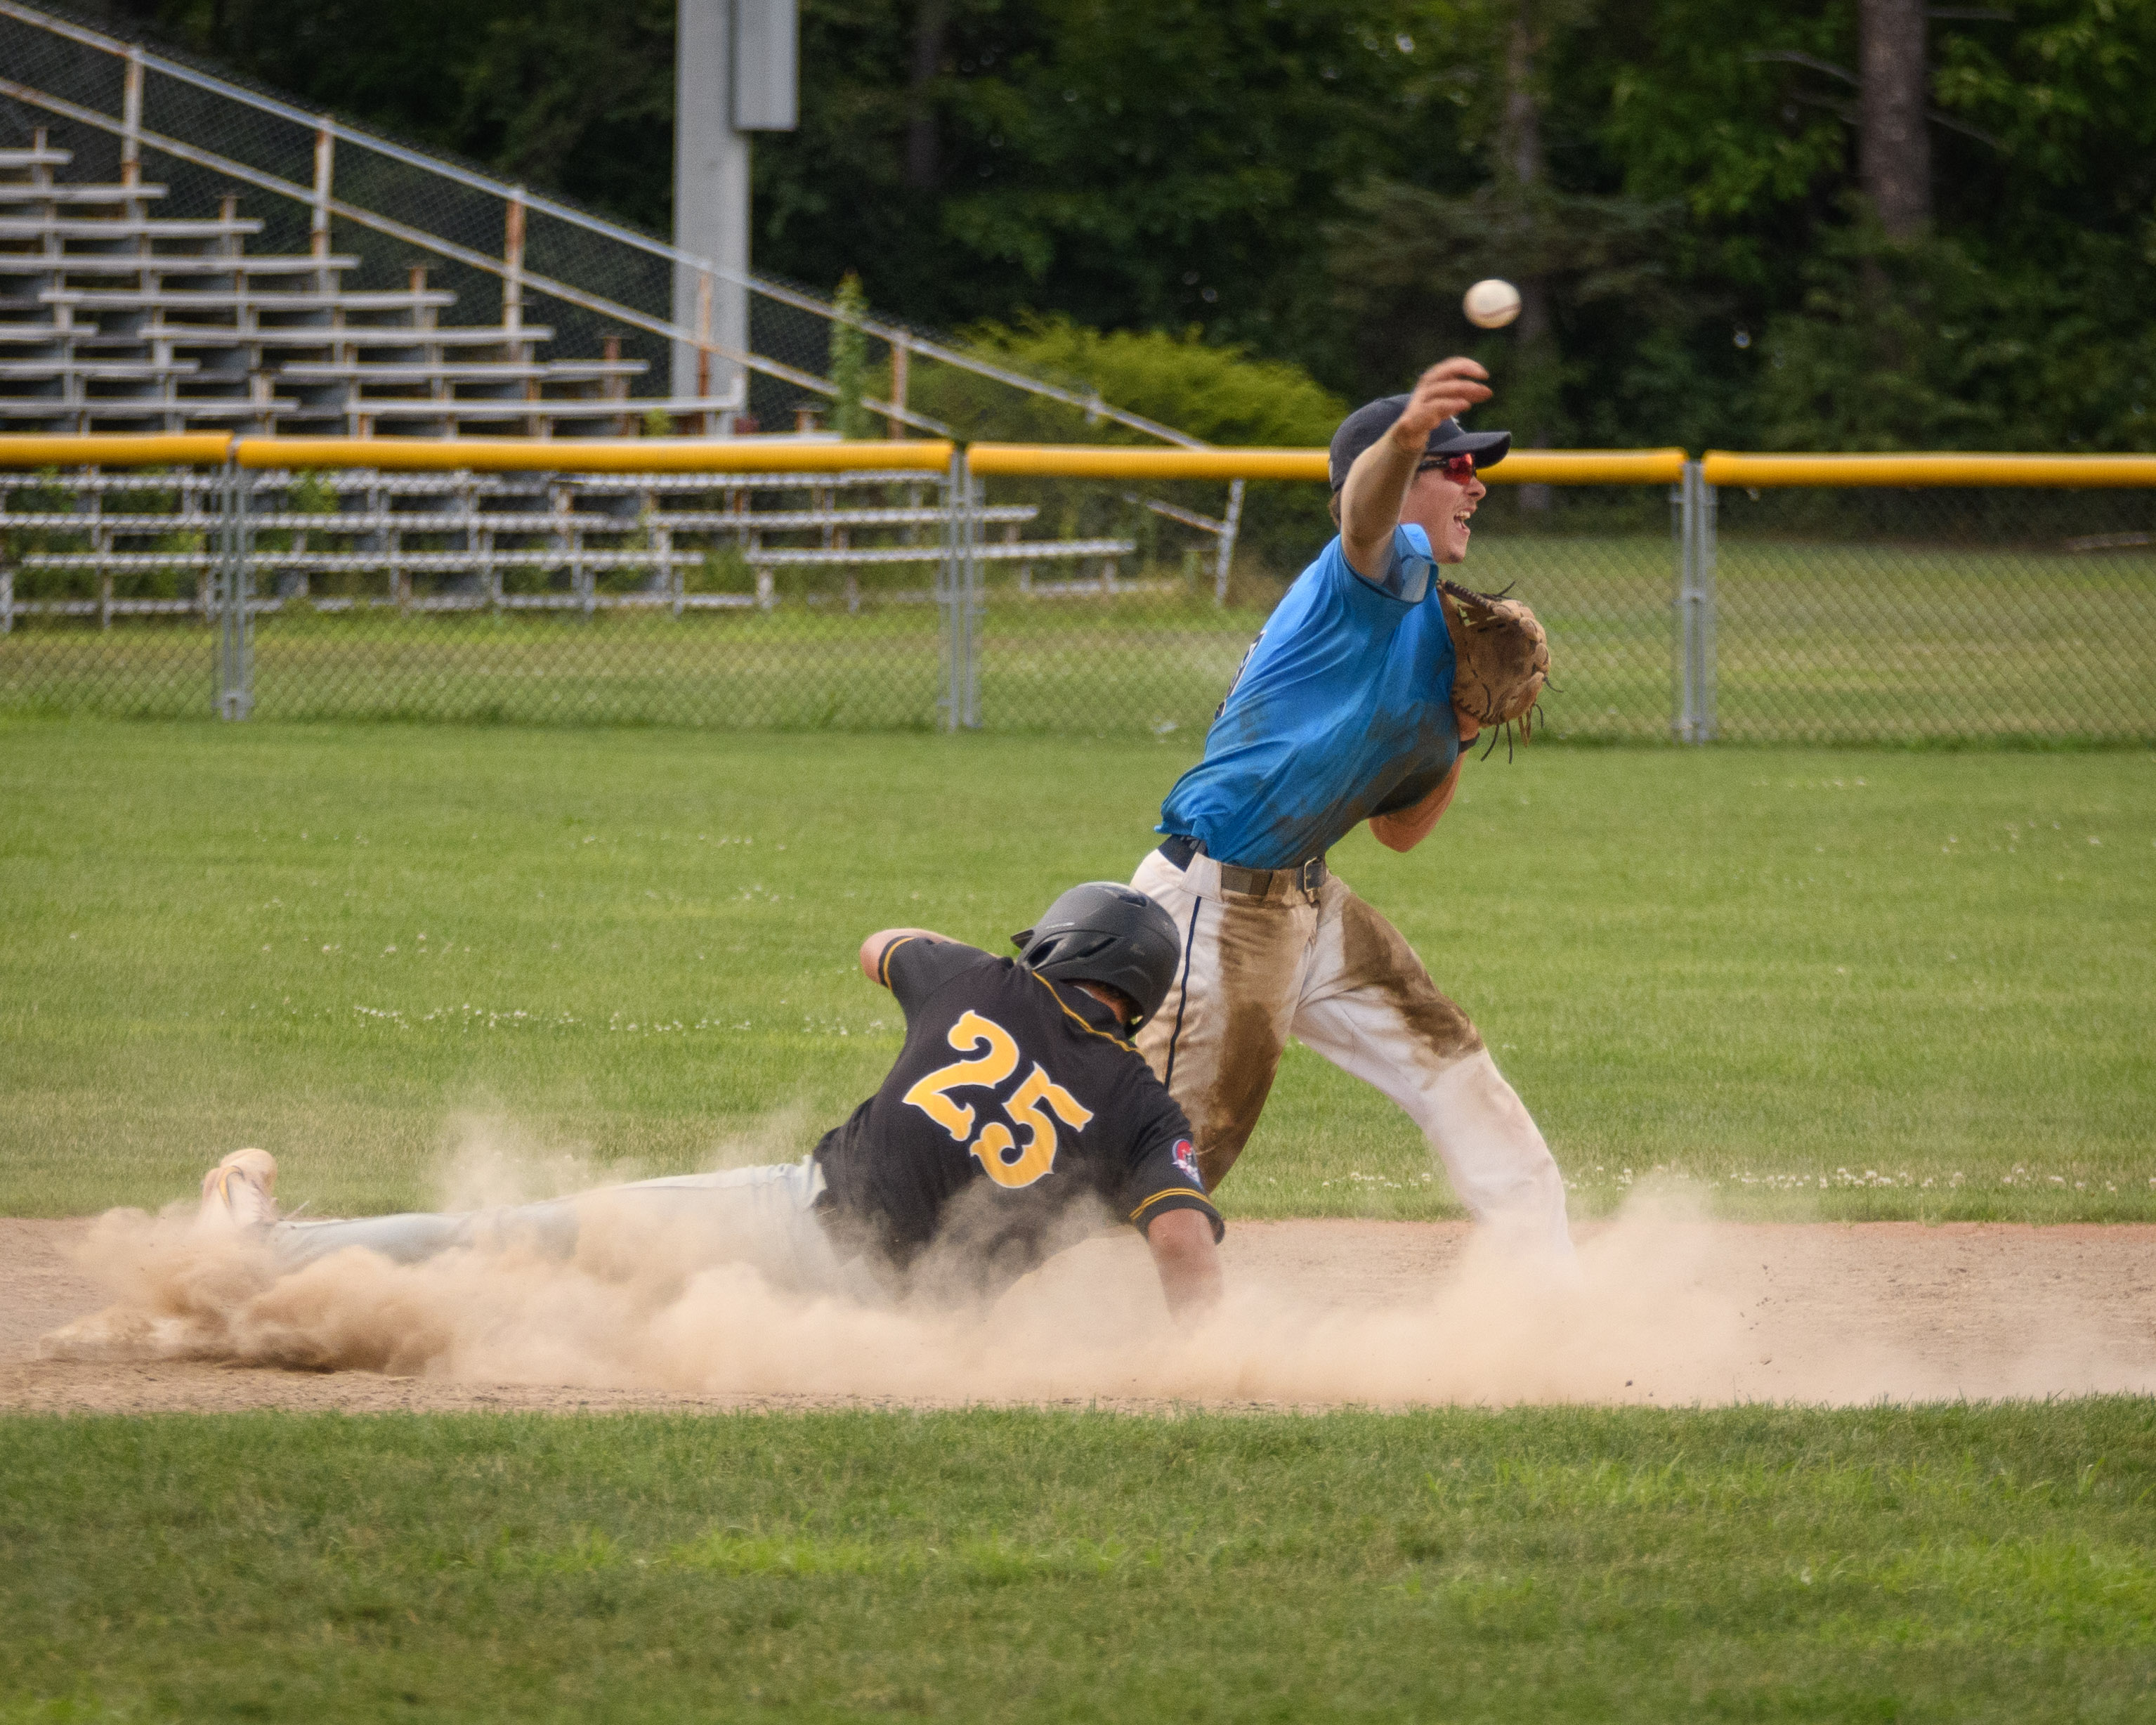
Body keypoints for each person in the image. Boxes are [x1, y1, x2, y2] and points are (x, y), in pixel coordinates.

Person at [197, 883, 1224, 1315]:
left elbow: (875, 946)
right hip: (910, 1332)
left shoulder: (973, 980)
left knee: (525, 1232)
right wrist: (1200, 1374)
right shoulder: (1144, 1110)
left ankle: (268, 1260)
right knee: (605, 1310)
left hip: (795, 1222)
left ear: (1060, 942)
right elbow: (1183, 1245)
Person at [1130, 357, 1572, 1259]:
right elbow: (1363, 518)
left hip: (1303, 900)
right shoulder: (1367, 576)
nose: (1474, 483)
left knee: (1450, 1061)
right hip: (1218, 906)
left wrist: (1460, 719)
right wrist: (1407, 434)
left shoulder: (1436, 637)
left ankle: (1551, 1297)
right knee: (1181, 1152)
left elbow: (1399, 830)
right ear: (1394, 477)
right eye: (1454, 466)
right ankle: (977, 1282)